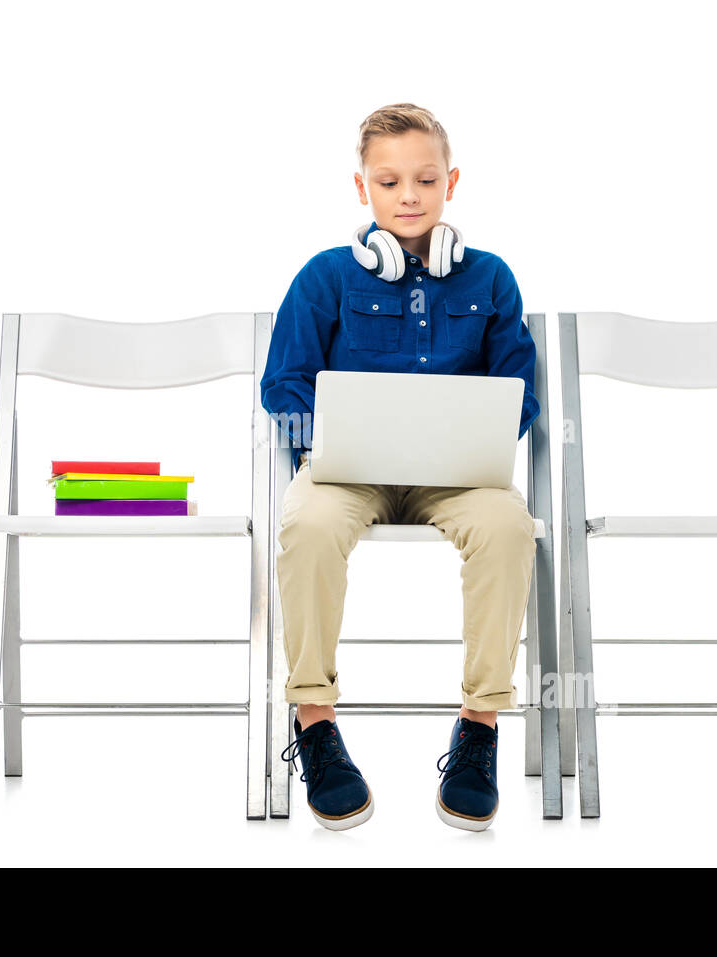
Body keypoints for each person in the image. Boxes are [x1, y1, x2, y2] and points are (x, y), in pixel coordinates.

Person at [260, 103, 539, 832]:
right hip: (348, 473)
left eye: (423, 179)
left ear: (450, 182)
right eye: (389, 181)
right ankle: (314, 721)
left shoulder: (492, 279)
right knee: (309, 525)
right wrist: (326, 434)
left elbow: (522, 393)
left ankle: (479, 726)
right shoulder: (323, 279)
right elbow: (282, 386)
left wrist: (480, 431)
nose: (407, 195)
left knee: (510, 526)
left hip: (457, 478)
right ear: (363, 189)